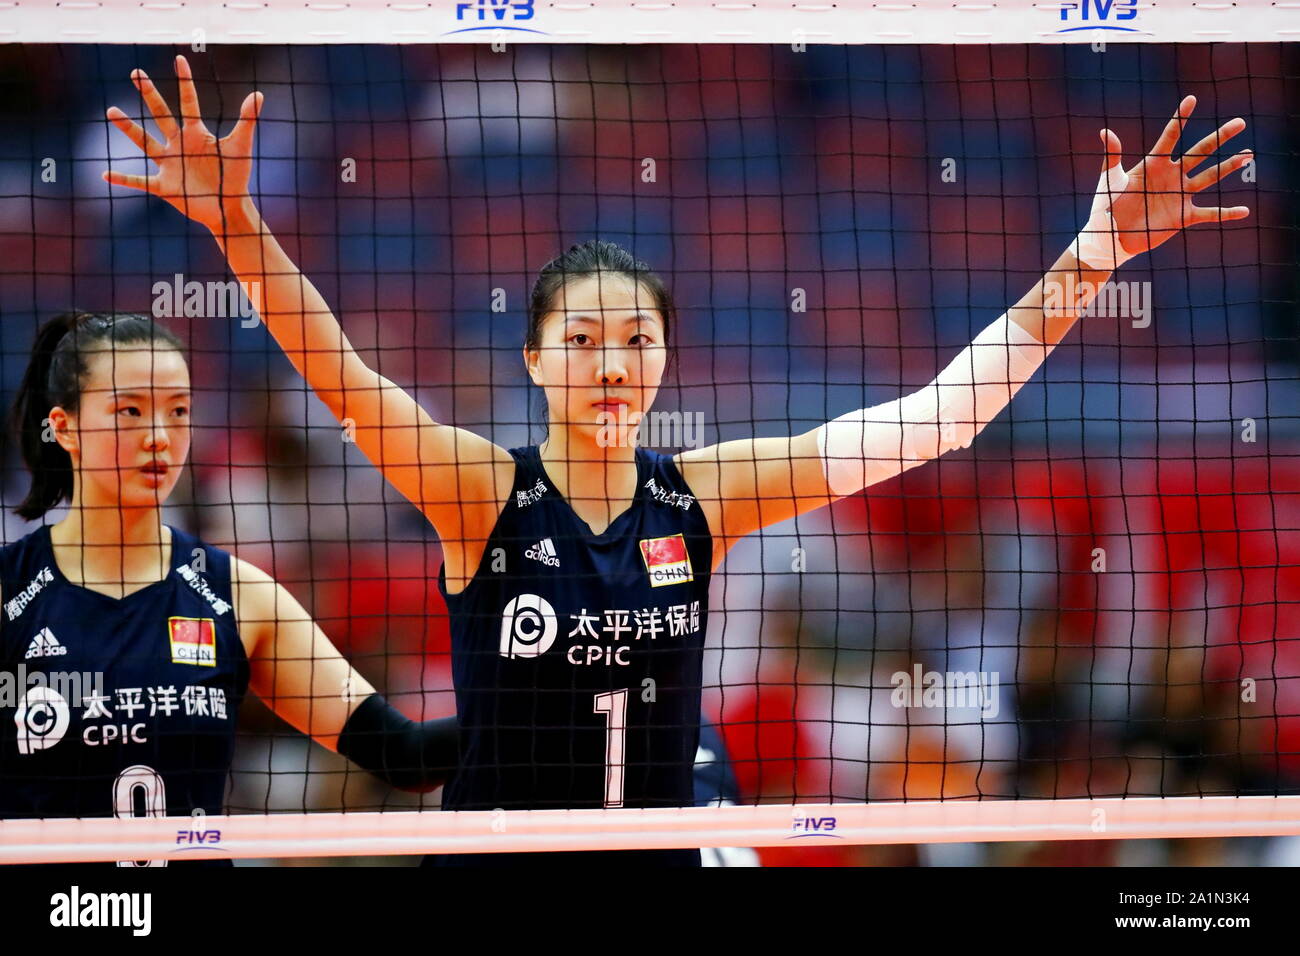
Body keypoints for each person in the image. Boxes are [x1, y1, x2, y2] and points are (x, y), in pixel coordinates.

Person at [102, 54, 1251, 866]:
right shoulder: (477, 489)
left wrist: (1095, 250)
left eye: (637, 339)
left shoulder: (702, 494)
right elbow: (339, 372)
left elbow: (939, 418)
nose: (613, 363)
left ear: (664, 361)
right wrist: (236, 228)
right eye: (584, 340)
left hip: (655, 856)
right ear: (537, 361)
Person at [0, 311, 458, 866]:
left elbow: (402, 755)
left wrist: (536, 712)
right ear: (66, 427)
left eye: (179, 412)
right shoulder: (11, 589)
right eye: (130, 411)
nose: (159, 436)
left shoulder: (238, 596)